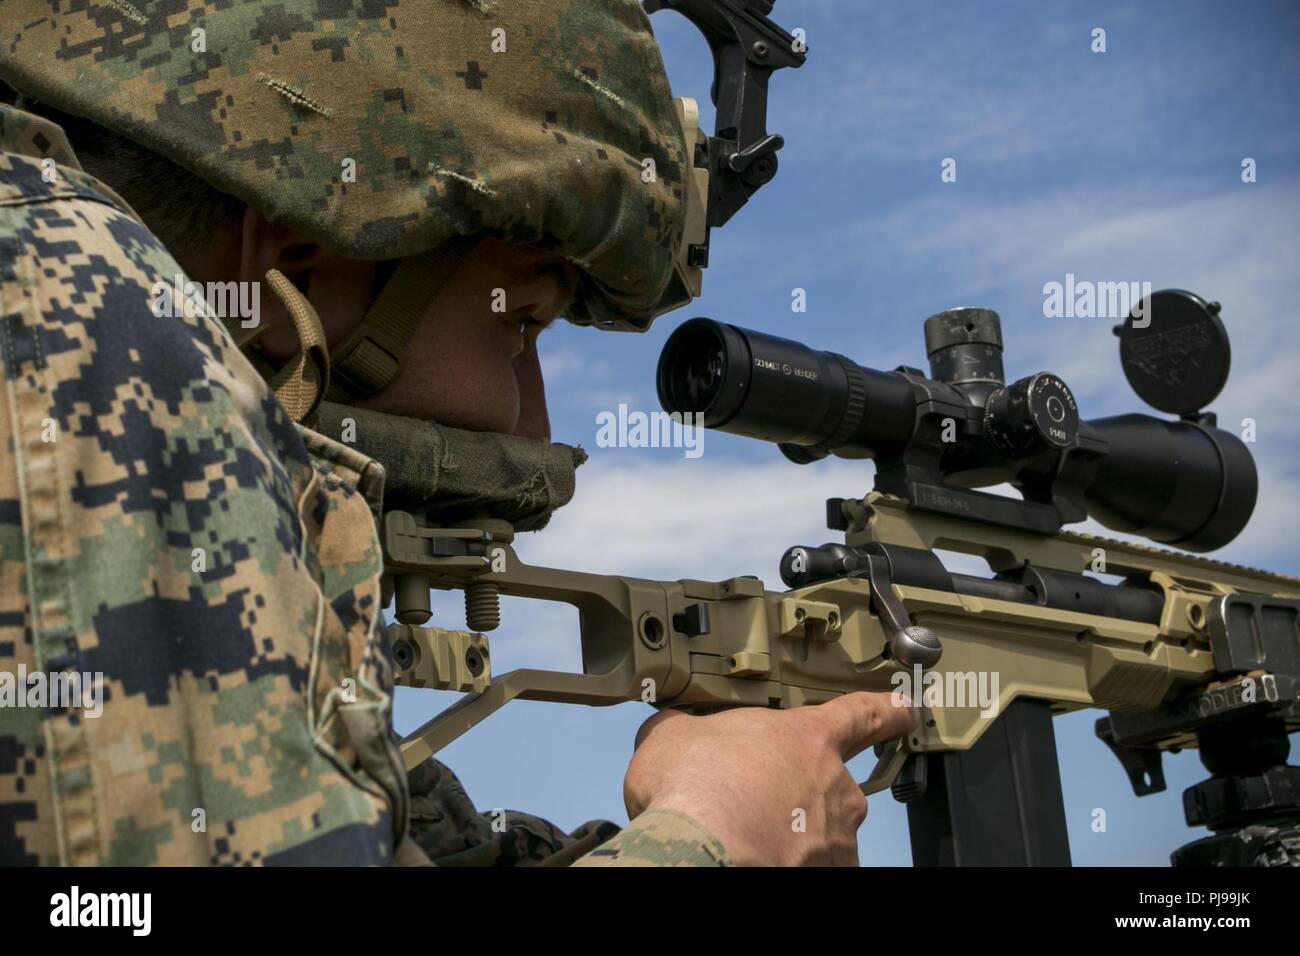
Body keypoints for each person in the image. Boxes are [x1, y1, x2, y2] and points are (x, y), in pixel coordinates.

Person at [0, 0, 915, 866]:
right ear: (290, 265)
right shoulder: (72, 308)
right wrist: (715, 838)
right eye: (519, 324)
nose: (539, 419)